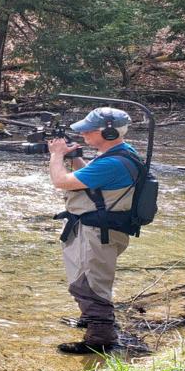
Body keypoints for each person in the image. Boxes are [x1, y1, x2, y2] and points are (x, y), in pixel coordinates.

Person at [46, 106, 141, 354]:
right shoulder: (121, 154)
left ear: (108, 133)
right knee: (89, 278)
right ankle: (93, 319)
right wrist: (75, 157)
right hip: (102, 228)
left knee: (88, 284)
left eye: (90, 130)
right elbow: (92, 179)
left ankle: (100, 337)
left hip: (98, 232)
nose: (84, 134)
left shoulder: (113, 162)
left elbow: (61, 181)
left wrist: (56, 156)